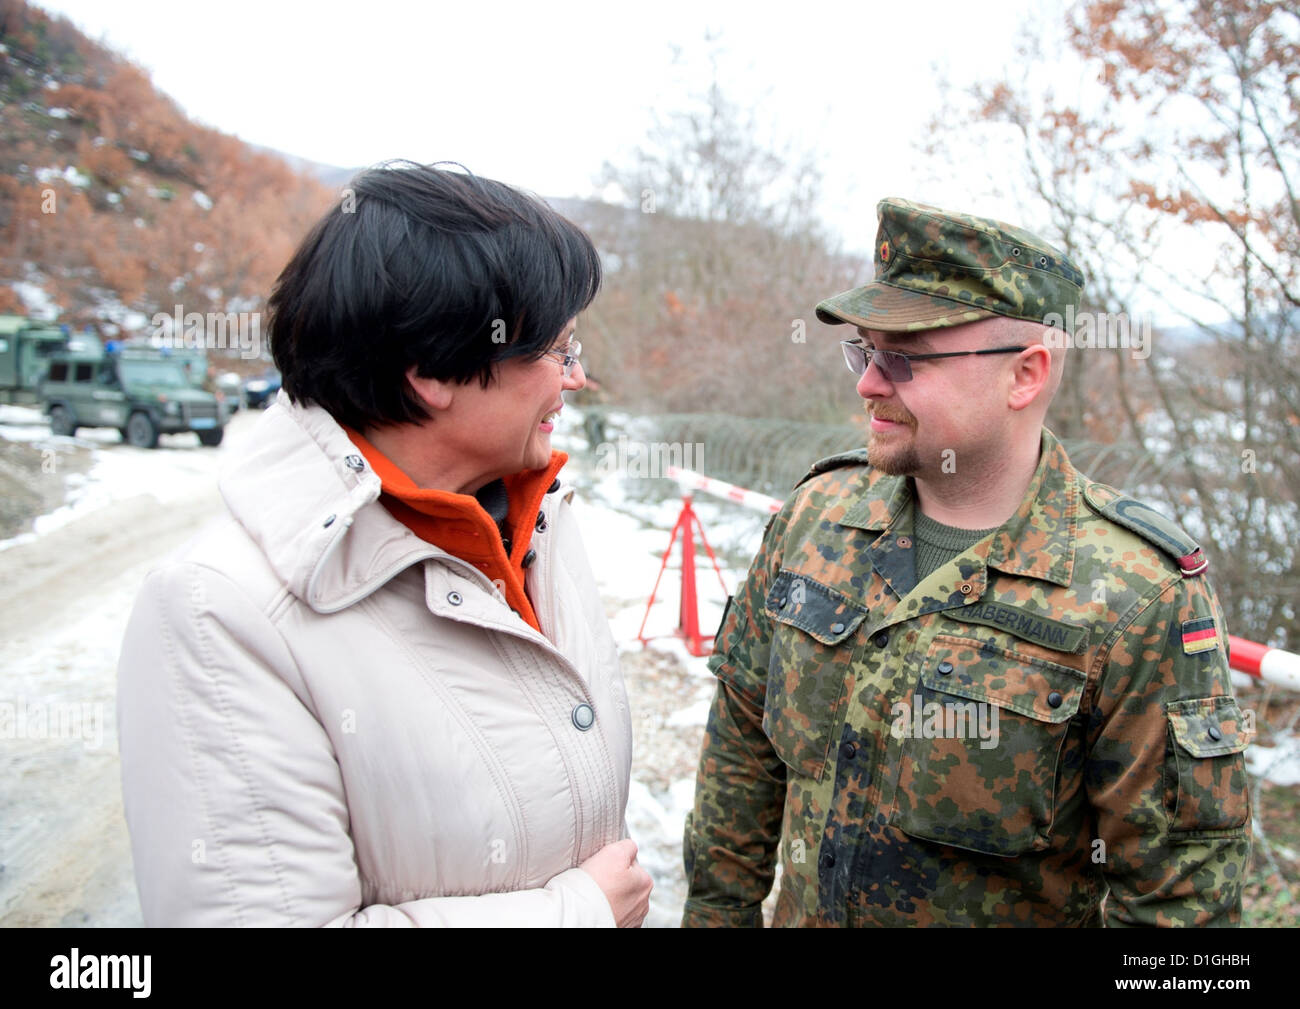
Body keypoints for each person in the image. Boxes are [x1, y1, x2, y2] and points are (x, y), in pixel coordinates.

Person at [681, 197, 1251, 927]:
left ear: (1025, 375)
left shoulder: (1137, 595)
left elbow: (1179, 909)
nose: (867, 383)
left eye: (905, 358)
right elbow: (743, 754)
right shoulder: (815, 521)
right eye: (864, 350)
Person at [117, 163, 652, 927]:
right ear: (433, 368)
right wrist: (576, 914)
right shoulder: (216, 614)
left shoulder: (535, 524)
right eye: (556, 351)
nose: (575, 379)